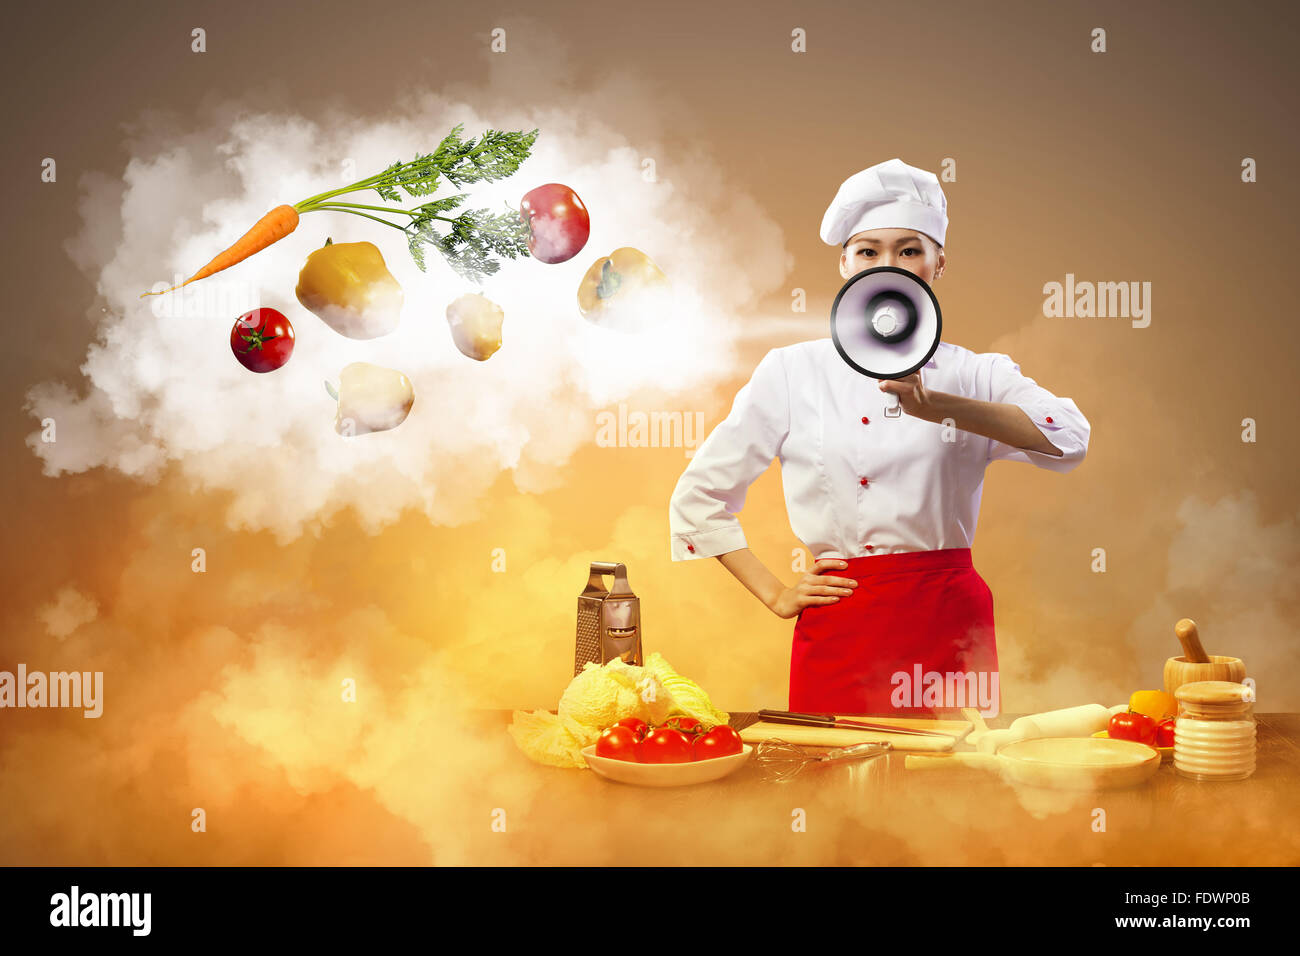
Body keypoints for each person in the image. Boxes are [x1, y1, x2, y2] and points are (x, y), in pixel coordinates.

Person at [668, 158, 1090, 716]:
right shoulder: (792, 370)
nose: (887, 266)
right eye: (868, 251)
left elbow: (1070, 438)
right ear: (844, 263)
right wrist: (776, 593)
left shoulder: (977, 372)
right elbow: (699, 498)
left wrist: (935, 406)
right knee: (834, 770)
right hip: (843, 621)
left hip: (948, 623)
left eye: (909, 250)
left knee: (953, 772)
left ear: (939, 262)